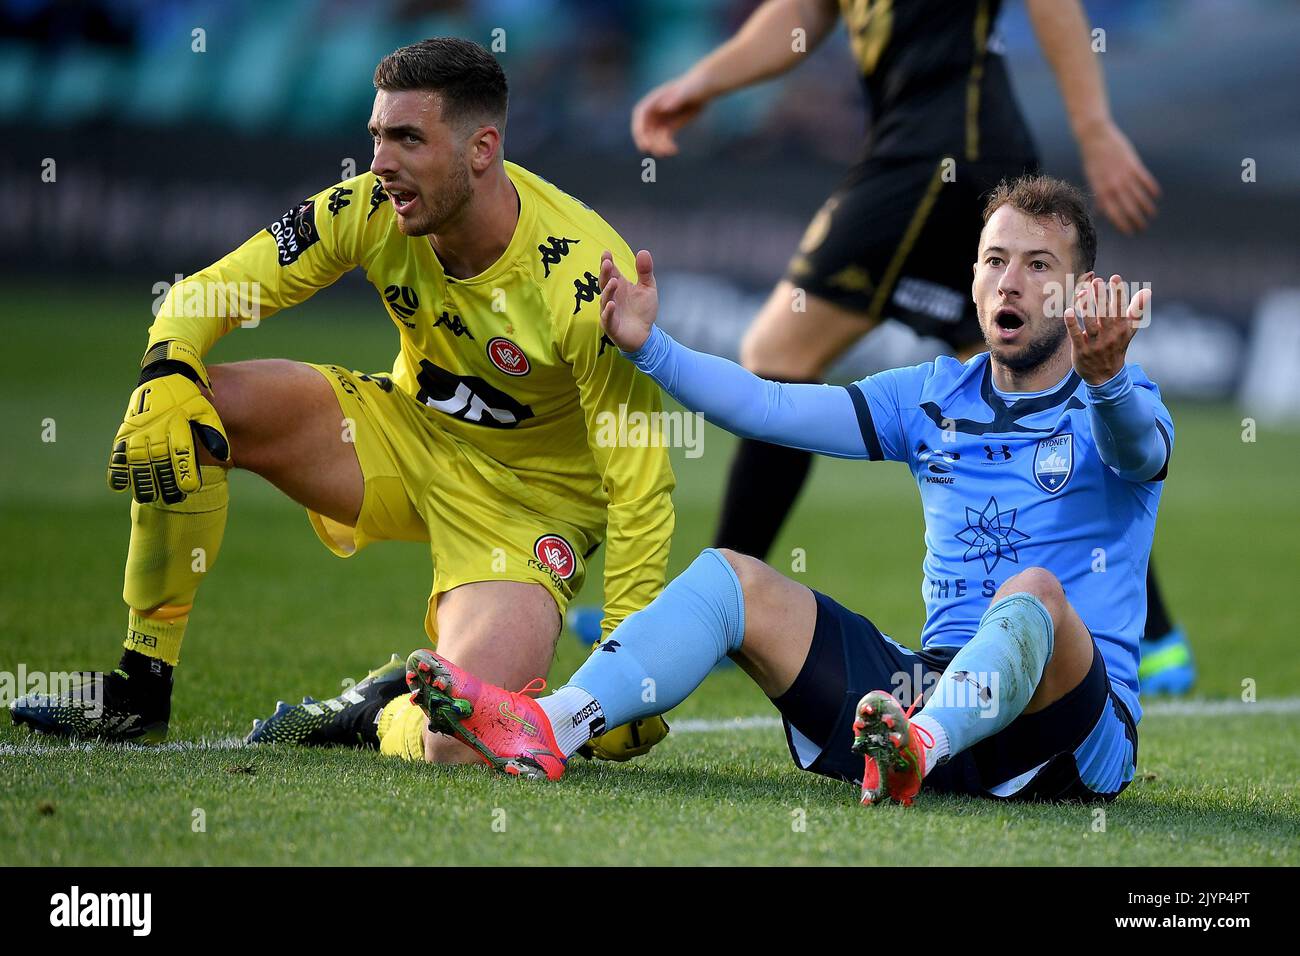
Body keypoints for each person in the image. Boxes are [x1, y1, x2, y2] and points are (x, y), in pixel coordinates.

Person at [398, 174, 1169, 805]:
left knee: (1032, 588)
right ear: (972, 278)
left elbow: (1138, 453)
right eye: (996, 260)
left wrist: (1105, 384)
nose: (1012, 282)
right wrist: (649, 347)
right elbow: (767, 405)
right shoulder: (931, 395)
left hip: (1073, 734)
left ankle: (918, 749)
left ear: (1081, 293)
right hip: (927, 693)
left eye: (1039, 266)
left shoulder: (1121, 399)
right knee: (730, 577)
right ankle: (552, 724)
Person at [11, 38, 674, 764]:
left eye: (408, 139)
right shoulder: (370, 205)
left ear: (483, 148)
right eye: (377, 136)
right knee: (184, 403)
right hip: (400, 434)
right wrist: (165, 366)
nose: (382, 162)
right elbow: (210, 292)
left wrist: (628, 674)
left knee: (456, 747)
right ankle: (139, 686)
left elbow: (639, 487)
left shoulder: (585, 281)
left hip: (533, 510)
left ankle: (378, 709)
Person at [626, 0, 1191, 693]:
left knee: (779, 347)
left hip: (939, 151)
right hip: (941, 150)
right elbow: (797, 17)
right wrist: (701, 84)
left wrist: (1095, 128)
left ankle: (721, 608)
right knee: (1009, 401)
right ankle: (1155, 638)